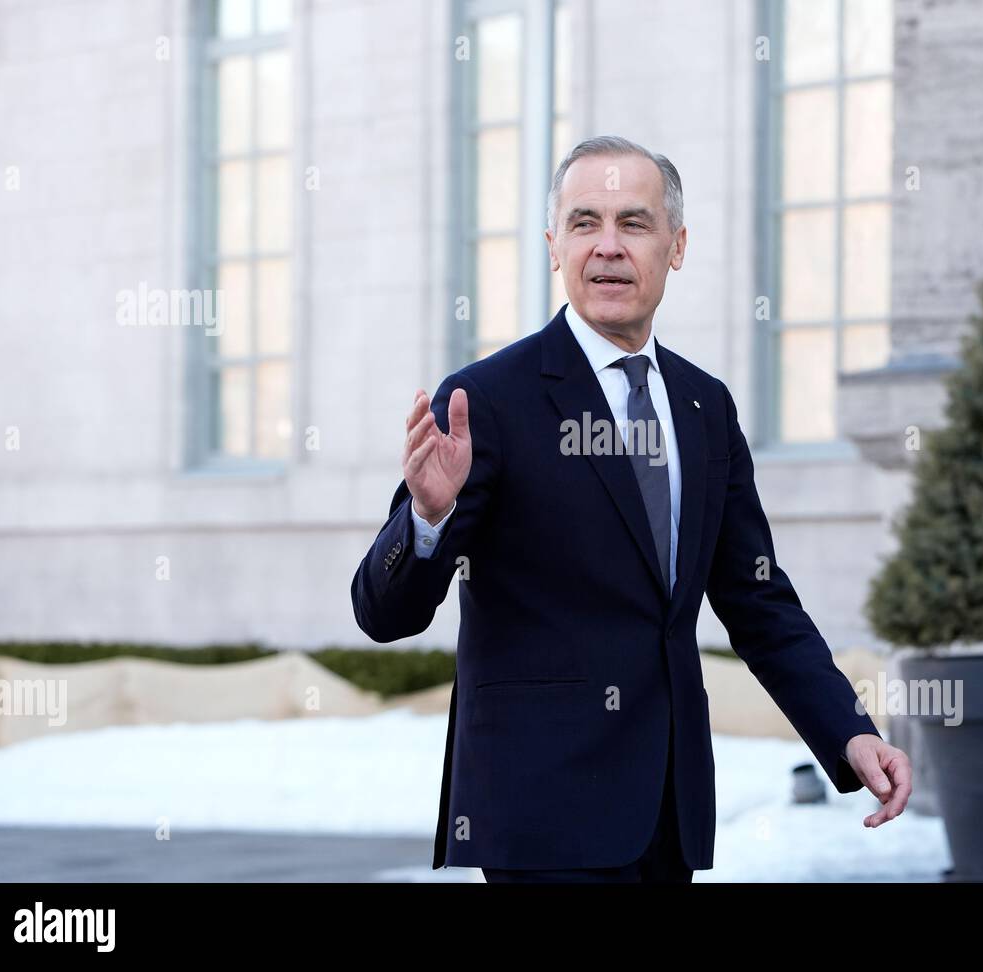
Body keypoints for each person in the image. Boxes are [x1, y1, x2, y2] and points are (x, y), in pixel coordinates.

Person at [351, 135, 912, 883]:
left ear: (676, 247)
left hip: (667, 810)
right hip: (541, 814)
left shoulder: (705, 406)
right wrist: (425, 520)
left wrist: (848, 732)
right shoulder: (485, 400)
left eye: (634, 224)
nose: (608, 247)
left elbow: (757, 599)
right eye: (585, 223)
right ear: (554, 246)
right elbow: (382, 614)